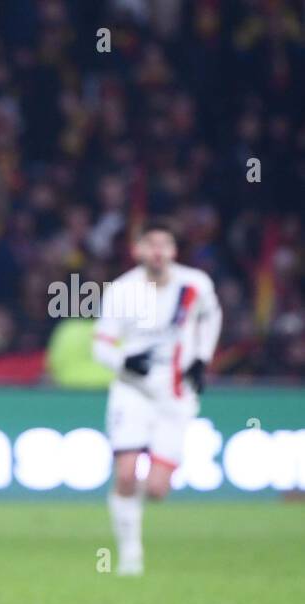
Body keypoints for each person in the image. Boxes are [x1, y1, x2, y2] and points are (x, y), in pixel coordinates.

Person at [93, 220, 222, 576]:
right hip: (132, 391)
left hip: (175, 394)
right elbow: (100, 345)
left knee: (157, 488)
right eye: (150, 244)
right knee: (126, 474)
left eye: (165, 244)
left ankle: (133, 514)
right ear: (137, 250)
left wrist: (202, 358)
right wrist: (124, 361)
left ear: (174, 251)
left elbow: (212, 318)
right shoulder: (122, 290)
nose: (158, 251)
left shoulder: (195, 285)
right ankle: (130, 553)